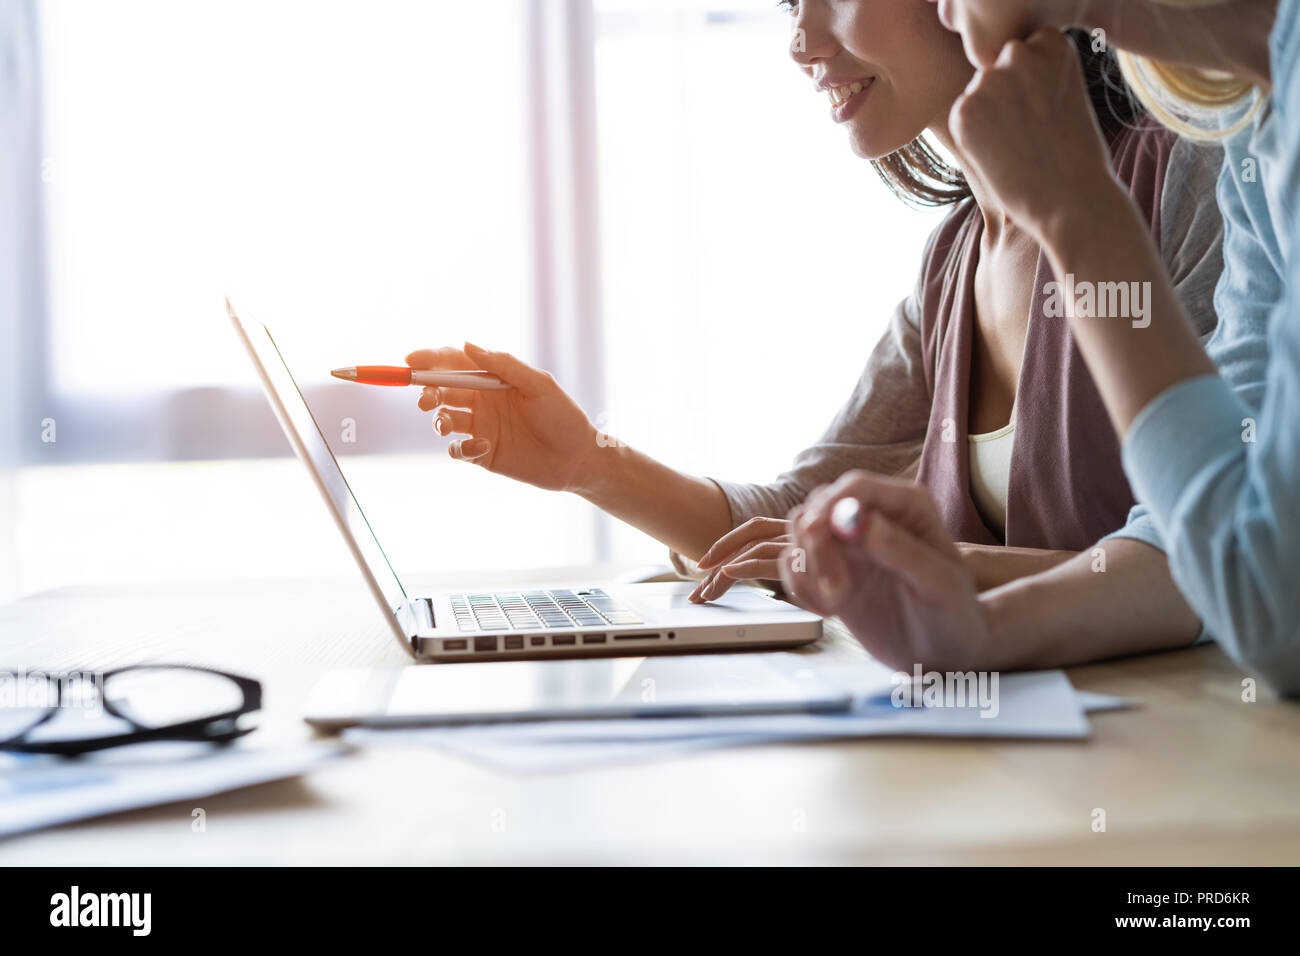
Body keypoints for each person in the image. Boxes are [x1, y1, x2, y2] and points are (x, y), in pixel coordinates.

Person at [409, 0, 1224, 663]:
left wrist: (952, 578)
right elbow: (798, 516)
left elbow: (1216, 551)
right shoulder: (955, 261)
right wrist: (588, 462)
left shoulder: (1185, 180)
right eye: (793, 3)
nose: (801, 40)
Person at [786, 0, 1298, 693]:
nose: (801, 42)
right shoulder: (1256, 121)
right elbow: (1222, 535)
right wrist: (978, 633)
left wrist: (1077, 212)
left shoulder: (1193, 154)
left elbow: (1274, 605)